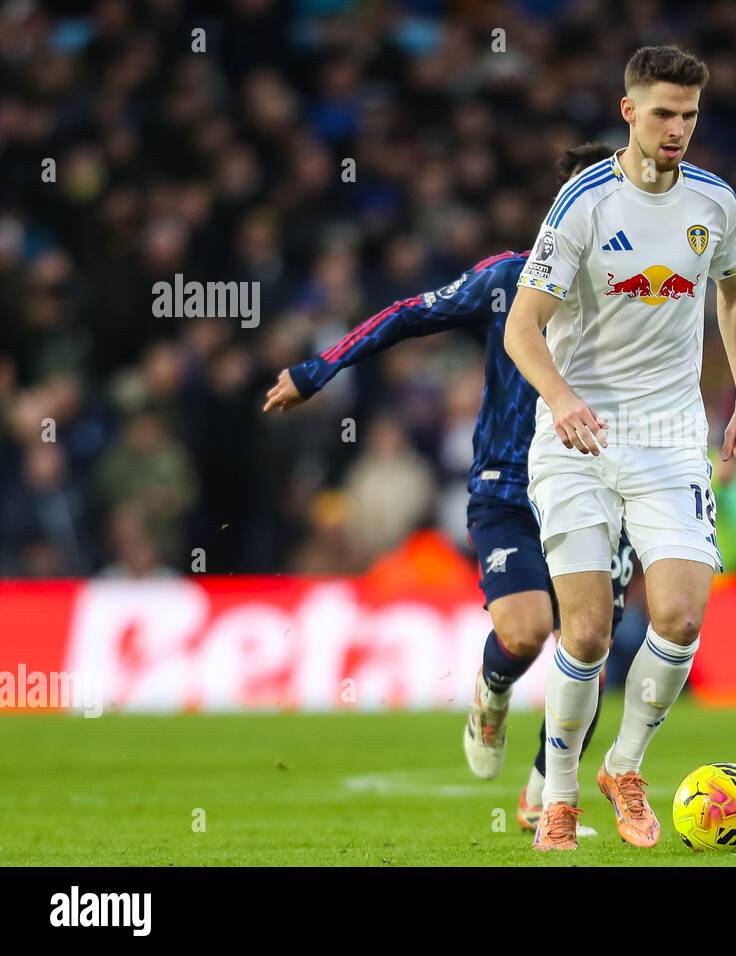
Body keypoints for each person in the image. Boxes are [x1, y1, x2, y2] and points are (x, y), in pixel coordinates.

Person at [262, 142, 636, 833]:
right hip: (508, 486)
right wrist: (317, 370)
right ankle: (491, 693)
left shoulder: (641, 296)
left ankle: (541, 795)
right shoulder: (509, 280)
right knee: (525, 634)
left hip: (598, 488)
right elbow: (407, 312)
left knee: (592, 643)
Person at [503, 45, 736, 851]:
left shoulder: (716, 203)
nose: (677, 128)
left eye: (688, 114)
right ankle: (562, 794)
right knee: (583, 633)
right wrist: (564, 399)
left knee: (681, 615)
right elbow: (521, 328)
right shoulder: (583, 202)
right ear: (629, 112)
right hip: (577, 438)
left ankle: (624, 766)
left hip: (671, 438)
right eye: (662, 113)